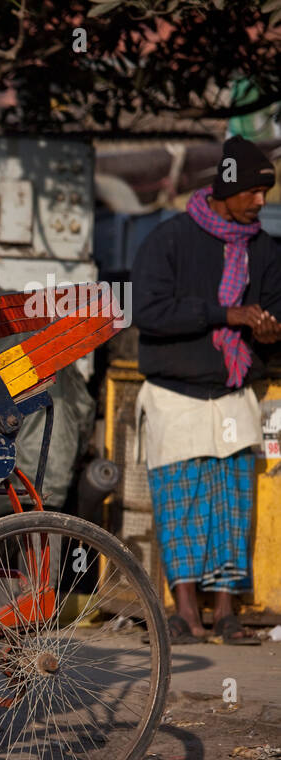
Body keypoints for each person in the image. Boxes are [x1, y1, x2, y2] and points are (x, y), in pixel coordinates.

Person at [131, 136, 281, 645]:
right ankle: (184, 613)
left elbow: (277, 311)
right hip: (175, 396)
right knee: (181, 506)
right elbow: (148, 312)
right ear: (226, 189)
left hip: (235, 393)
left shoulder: (265, 249)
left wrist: (268, 330)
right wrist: (224, 314)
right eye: (254, 193)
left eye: (267, 193)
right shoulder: (169, 239)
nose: (261, 202)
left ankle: (227, 614)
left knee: (231, 508)